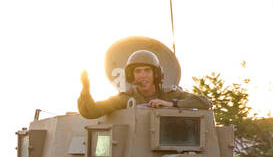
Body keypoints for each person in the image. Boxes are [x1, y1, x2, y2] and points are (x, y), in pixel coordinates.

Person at [77, 49, 211, 118]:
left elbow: (205, 103)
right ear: (132, 76)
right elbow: (91, 112)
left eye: (147, 70)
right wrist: (85, 90)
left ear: (156, 74)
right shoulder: (125, 99)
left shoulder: (170, 95)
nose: (143, 75)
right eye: (138, 71)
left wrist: (171, 104)